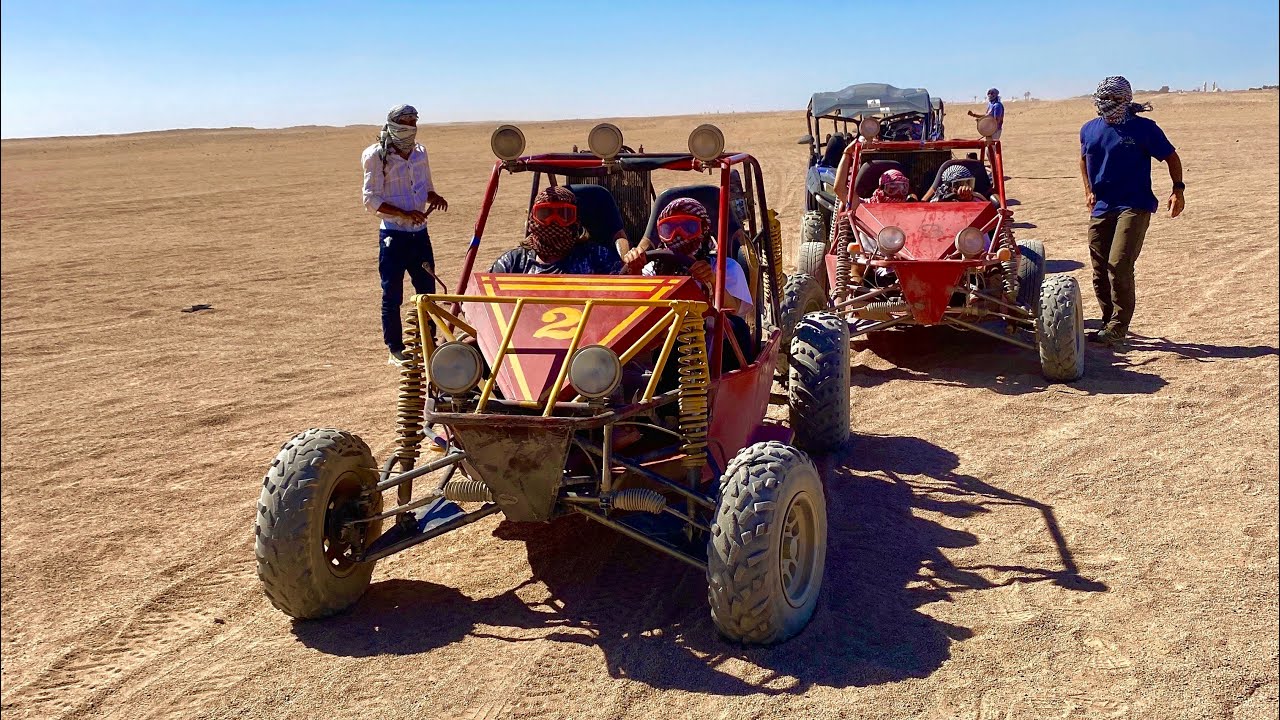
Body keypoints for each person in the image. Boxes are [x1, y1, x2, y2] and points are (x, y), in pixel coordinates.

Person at [1080, 75, 1184, 346]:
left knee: (1119, 264)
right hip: (1102, 205)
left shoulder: (1144, 129)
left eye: (1113, 99)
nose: (1107, 104)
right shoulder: (1089, 129)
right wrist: (1088, 189)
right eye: (1103, 98)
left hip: (1135, 205)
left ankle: (1118, 325)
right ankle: (1107, 320)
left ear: (1125, 100)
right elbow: (1084, 158)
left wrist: (1178, 189)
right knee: (1099, 267)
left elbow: (1171, 157)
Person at [361, 104, 449, 366]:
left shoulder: (420, 153)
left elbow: (426, 186)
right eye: (405, 120)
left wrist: (434, 197)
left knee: (427, 292)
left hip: (420, 235)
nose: (411, 125)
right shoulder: (376, 155)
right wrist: (404, 214)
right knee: (392, 294)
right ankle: (395, 348)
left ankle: (428, 345)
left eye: (414, 120)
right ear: (393, 123)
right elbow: (370, 200)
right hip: (393, 237)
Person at [490, 187, 642, 275]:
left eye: (564, 215)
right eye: (545, 214)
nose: (554, 222)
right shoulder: (513, 263)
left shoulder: (596, 257)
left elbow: (625, 290)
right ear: (532, 218)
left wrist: (634, 269)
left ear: (575, 220)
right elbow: (482, 301)